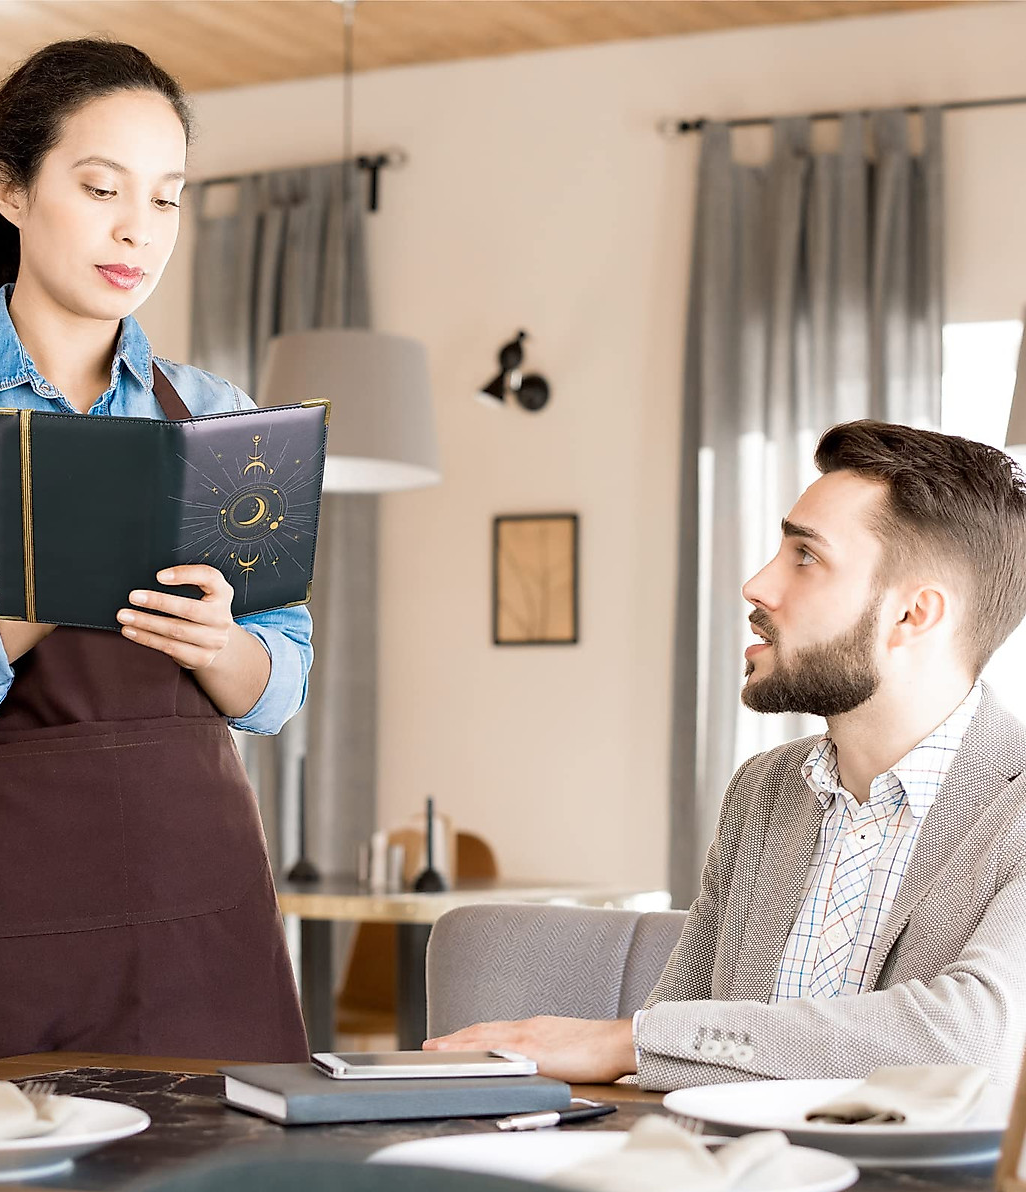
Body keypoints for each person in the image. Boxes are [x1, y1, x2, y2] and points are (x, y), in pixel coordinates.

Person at [0, 38, 311, 1072]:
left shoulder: (216, 414)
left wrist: (219, 640)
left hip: (208, 916)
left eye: (168, 198)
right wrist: (29, 599)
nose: (138, 229)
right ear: (10, 187)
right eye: (101, 188)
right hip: (6, 921)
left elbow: (280, 680)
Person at [427, 420, 1026, 1090]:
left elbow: (976, 1039)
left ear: (913, 615)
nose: (758, 585)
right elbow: (674, 1043)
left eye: (806, 558)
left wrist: (623, 1039)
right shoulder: (766, 790)